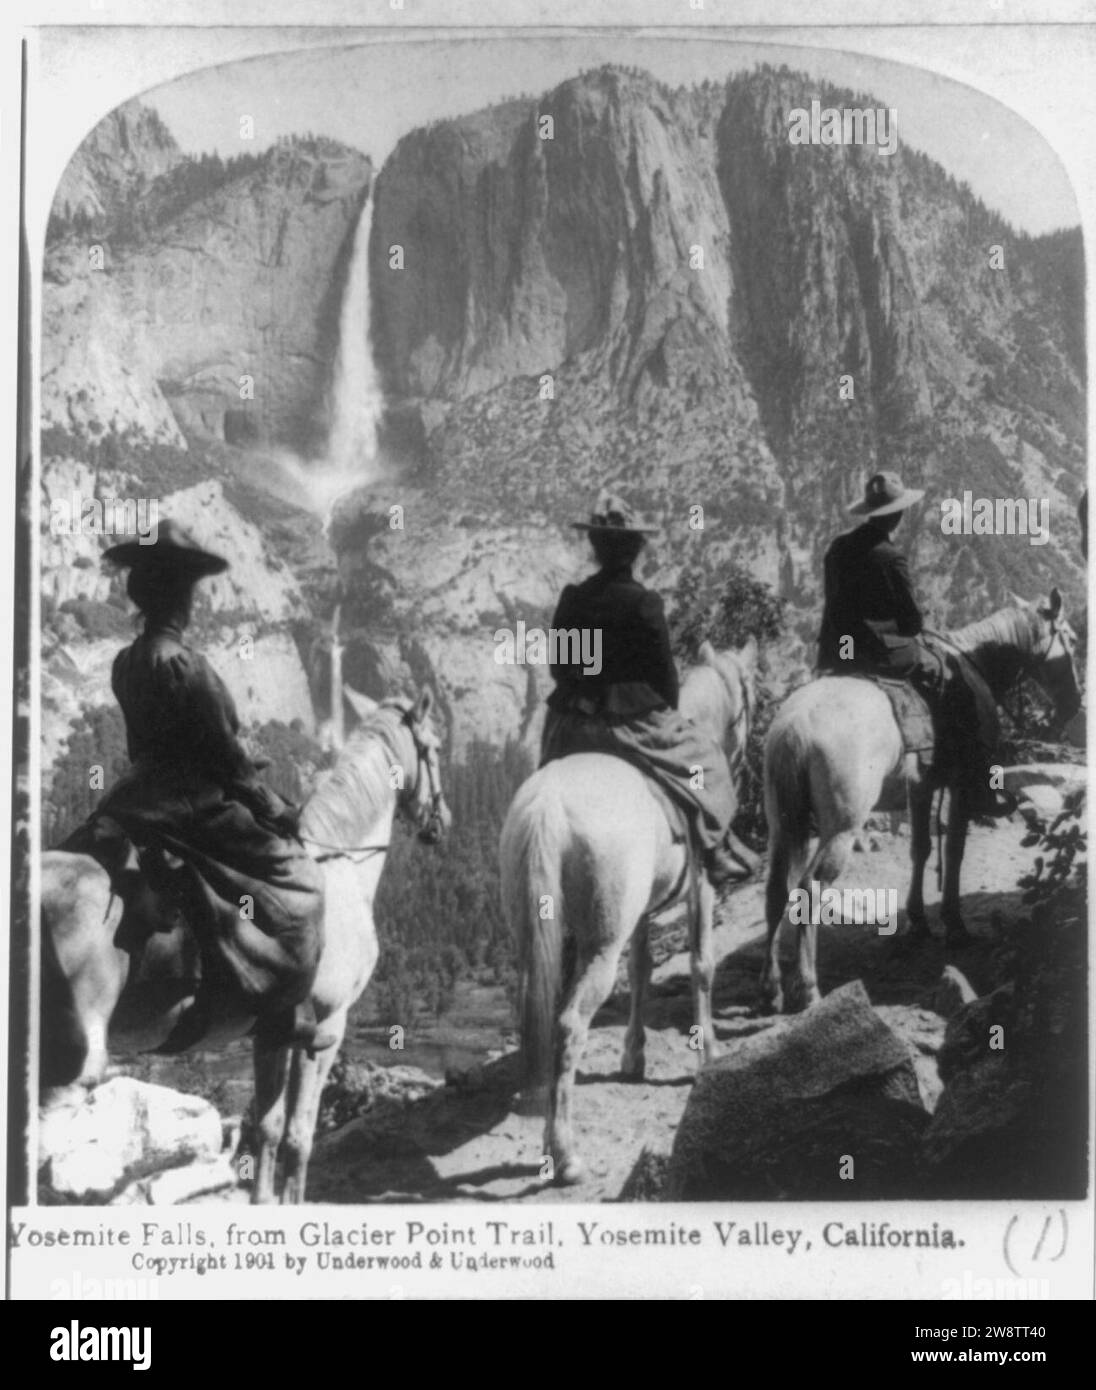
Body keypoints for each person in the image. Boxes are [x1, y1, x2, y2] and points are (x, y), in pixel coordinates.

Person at [63, 520, 334, 1054]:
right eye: (190, 593)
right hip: (193, 806)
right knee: (301, 887)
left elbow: (155, 742)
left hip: (134, 797)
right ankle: (275, 1014)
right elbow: (228, 761)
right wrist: (276, 808)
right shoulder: (190, 667)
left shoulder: (126, 662)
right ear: (180, 601)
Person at [540, 493, 753, 887]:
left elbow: (560, 668)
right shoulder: (643, 603)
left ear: (595, 547)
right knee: (707, 761)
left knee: (539, 777)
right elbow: (665, 679)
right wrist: (665, 715)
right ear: (637, 550)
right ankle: (714, 849)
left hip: (573, 723)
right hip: (630, 723)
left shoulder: (573, 599)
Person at [817, 470, 1015, 817]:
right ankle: (978, 789)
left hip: (838, 650)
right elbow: (912, 622)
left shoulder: (836, 548)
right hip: (880, 652)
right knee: (951, 680)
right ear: (897, 514)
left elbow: (837, 606)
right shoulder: (890, 557)